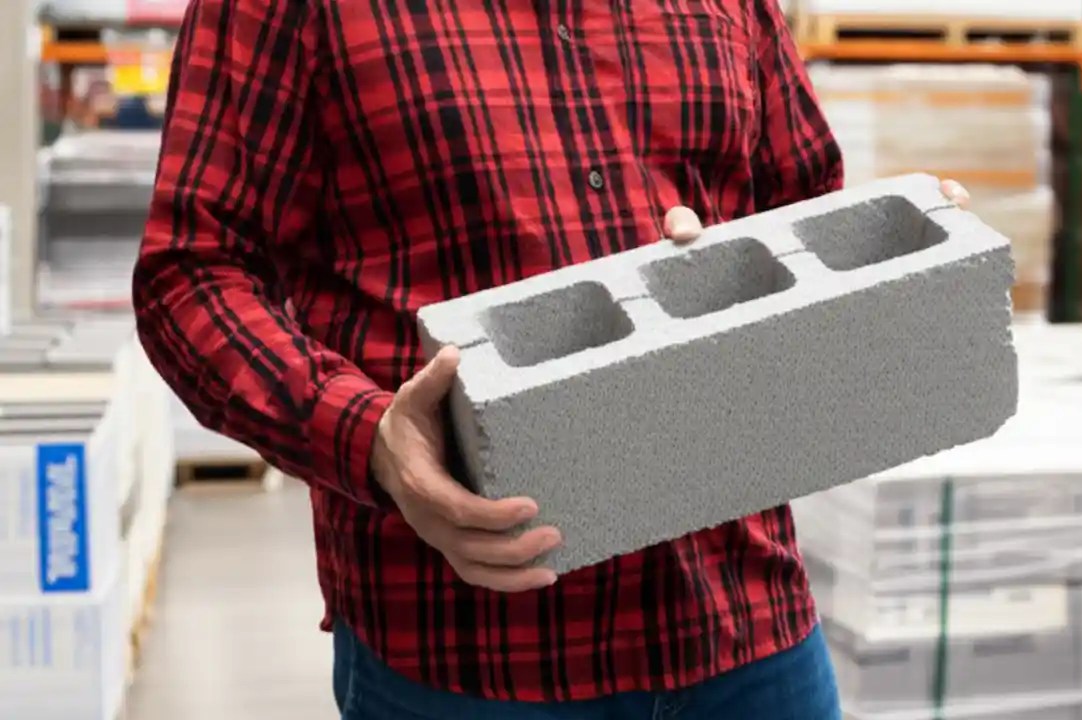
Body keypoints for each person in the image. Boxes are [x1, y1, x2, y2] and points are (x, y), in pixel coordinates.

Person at [134, 1, 969, 718]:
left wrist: (898, 247)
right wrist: (369, 438)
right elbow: (193, 274)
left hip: (744, 619)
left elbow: (804, 200)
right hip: (468, 655)